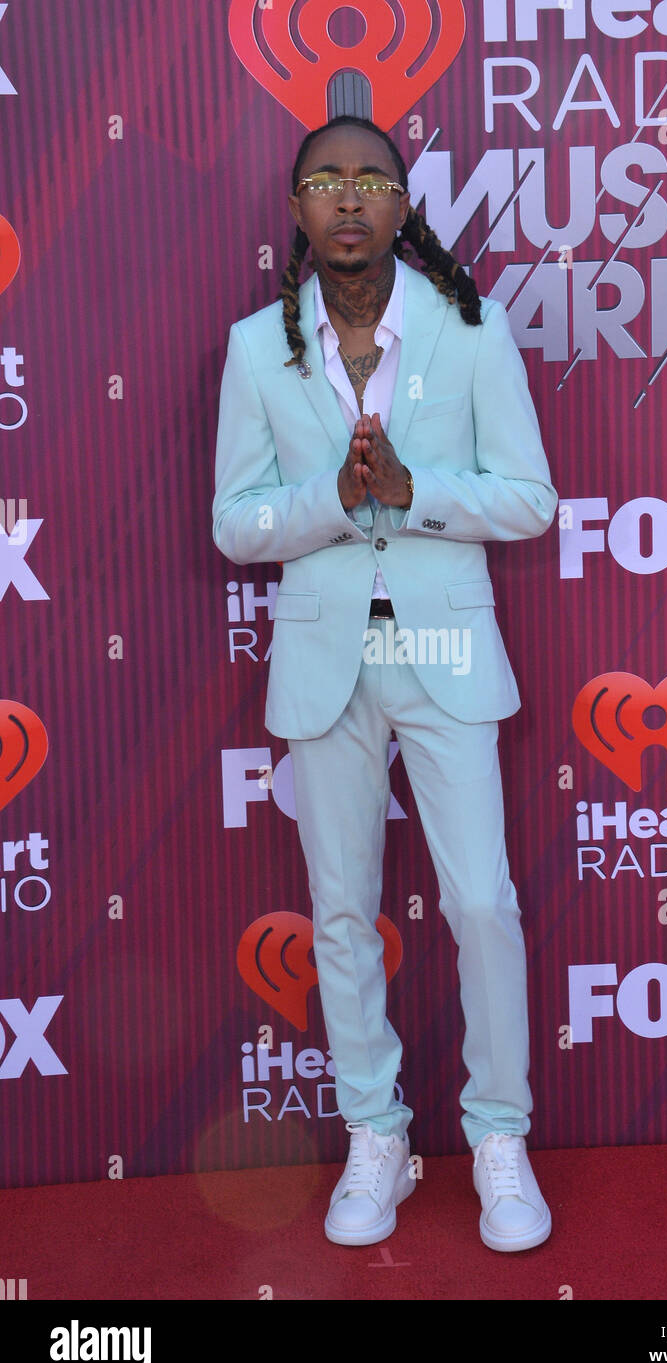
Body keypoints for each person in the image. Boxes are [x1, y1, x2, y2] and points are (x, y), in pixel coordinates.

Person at [213, 116, 559, 1252]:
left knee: (480, 903)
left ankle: (500, 1135)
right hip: (325, 657)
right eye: (326, 180)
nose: (349, 198)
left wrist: (414, 493)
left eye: (371, 179)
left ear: (404, 204)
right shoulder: (258, 350)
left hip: (445, 651)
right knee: (343, 913)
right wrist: (331, 496)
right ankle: (377, 1135)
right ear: (300, 208)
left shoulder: (471, 331)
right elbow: (234, 523)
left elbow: (530, 498)